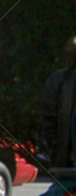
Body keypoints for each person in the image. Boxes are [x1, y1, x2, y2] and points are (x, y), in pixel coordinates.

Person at [38, 36, 76, 169]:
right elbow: (49, 119)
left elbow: (48, 119)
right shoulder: (58, 81)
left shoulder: (57, 80)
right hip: (66, 158)